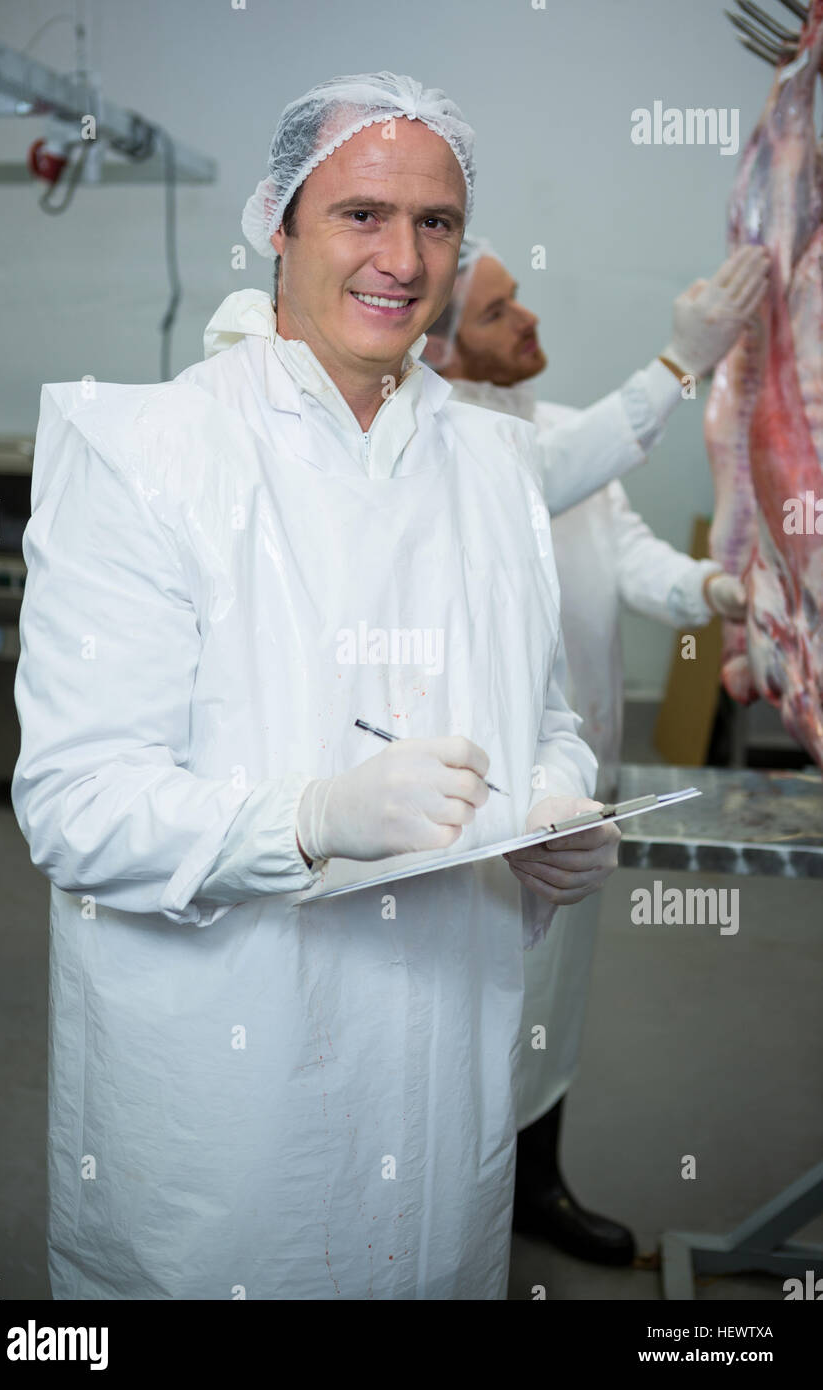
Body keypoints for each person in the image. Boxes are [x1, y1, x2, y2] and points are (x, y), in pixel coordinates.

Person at [11, 72, 624, 1302]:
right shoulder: (145, 453)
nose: (401, 257)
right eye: (359, 214)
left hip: (446, 1063)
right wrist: (306, 822)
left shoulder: (497, 466)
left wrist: (556, 802)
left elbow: (542, 714)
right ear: (278, 224)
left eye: (436, 223)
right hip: (227, 1095)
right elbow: (74, 802)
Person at [424, 237, 765, 1266]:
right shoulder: (443, 446)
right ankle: (449, 1207)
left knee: (552, 1015)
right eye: (495, 313)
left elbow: (631, 559)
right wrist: (676, 363)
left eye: (518, 299)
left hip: (584, 789)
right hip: (482, 808)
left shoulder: (570, 429)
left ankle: (536, 1188)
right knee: (473, 1018)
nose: (526, 320)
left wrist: (710, 590)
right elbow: (546, 478)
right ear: (440, 352)